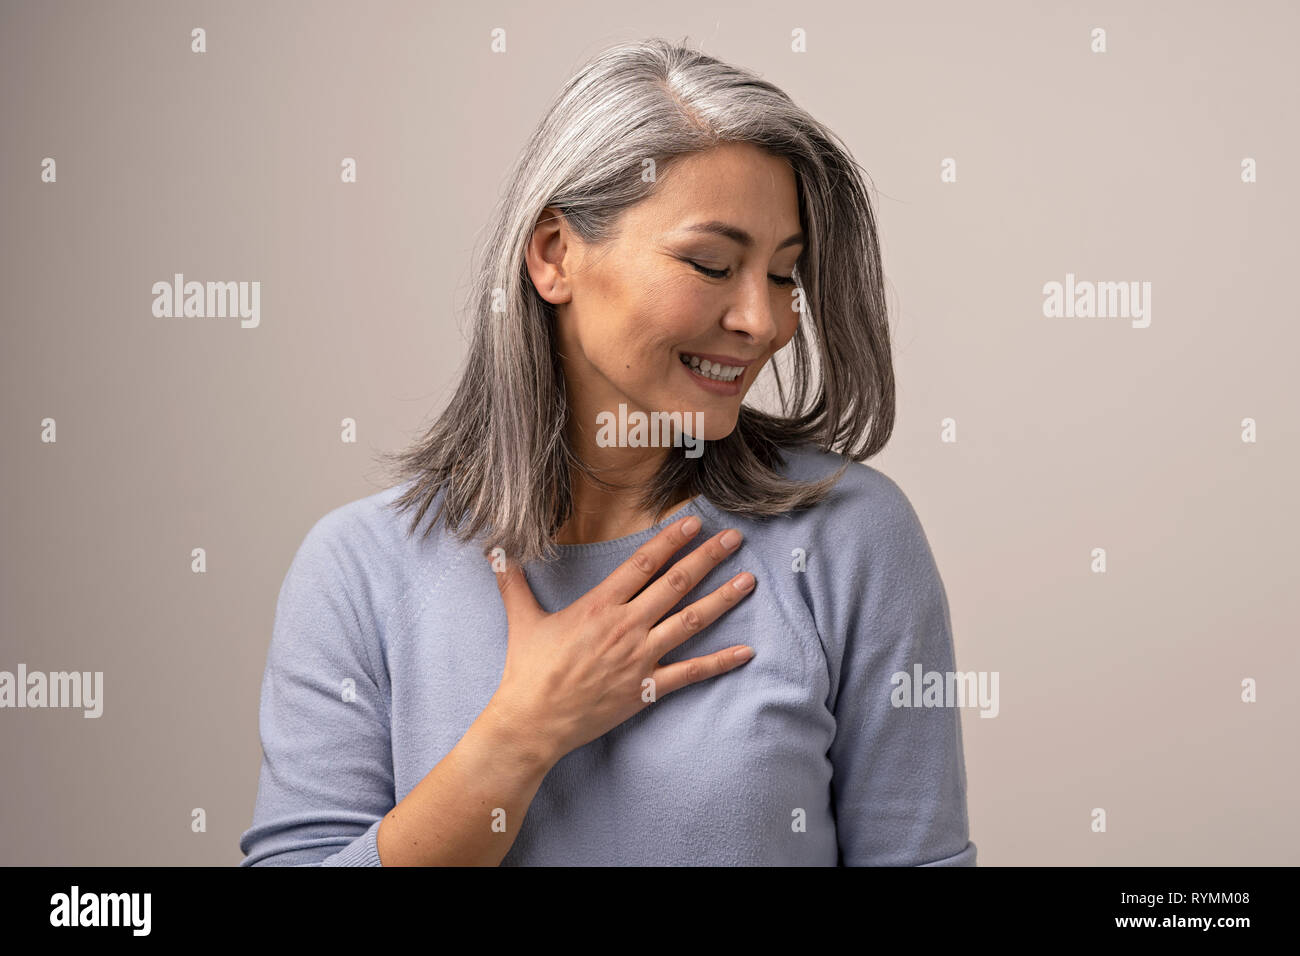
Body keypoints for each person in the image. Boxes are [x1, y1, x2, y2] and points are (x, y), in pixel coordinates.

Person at [239, 37, 976, 866]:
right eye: (711, 263)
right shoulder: (358, 571)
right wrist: (522, 734)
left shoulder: (850, 539)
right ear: (555, 254)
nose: (763, 323)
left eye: (782, 276)